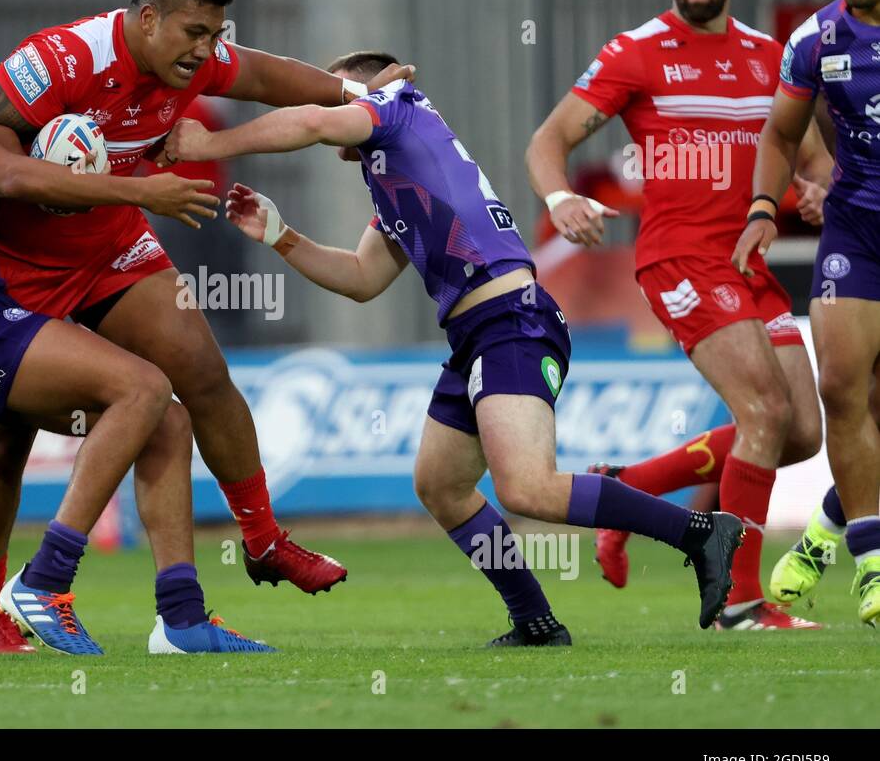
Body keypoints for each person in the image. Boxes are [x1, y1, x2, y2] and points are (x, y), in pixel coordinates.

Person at [164, 51, 745, 641]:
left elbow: (313, 122)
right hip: (477, 333)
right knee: (440, 484)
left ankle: (699, 533)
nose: (324, 100)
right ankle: (535, 621)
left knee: (527, 487)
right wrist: (282, 236)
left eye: (335, 88)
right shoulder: (392, 173)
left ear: (365, 86)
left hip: (509, 319)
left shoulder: (394, 106)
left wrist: (208, 145)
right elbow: (363, 280)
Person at [0, 0, 413, 596]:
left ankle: (263, 541)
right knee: (5, 443)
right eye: (193, 33)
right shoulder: (64, 57)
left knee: (203, 371)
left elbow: (262, 75)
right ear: (148, 19)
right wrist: (57, 188)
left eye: (214, 35)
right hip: (19, 267)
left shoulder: (199, 56)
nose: (206, 50)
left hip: (110, 246)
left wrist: (358, 96)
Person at [0, 0, 273, 655]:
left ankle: (180, 618)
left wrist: (149, 135)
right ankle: (45, 579)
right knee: (141, 388)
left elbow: (36, 121)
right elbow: (12, 176)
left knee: (151, 422)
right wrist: (141, 189)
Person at [526, 0, 833, 630]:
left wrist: (816, 189)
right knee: (762, 412)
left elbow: (811, 159)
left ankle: (628, 490)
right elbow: (550, 139)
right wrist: (561, 194)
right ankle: (740, 600)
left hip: (750, 263)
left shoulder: (769, 58)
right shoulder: (637, 52)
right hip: (681, 258)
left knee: (802, 434)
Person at [733, 0, 880, 626]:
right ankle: (875, 567)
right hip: (855, 231)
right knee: (844, 389)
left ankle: (823, 534)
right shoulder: (816, 39)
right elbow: (779, 136)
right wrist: (766, 207)